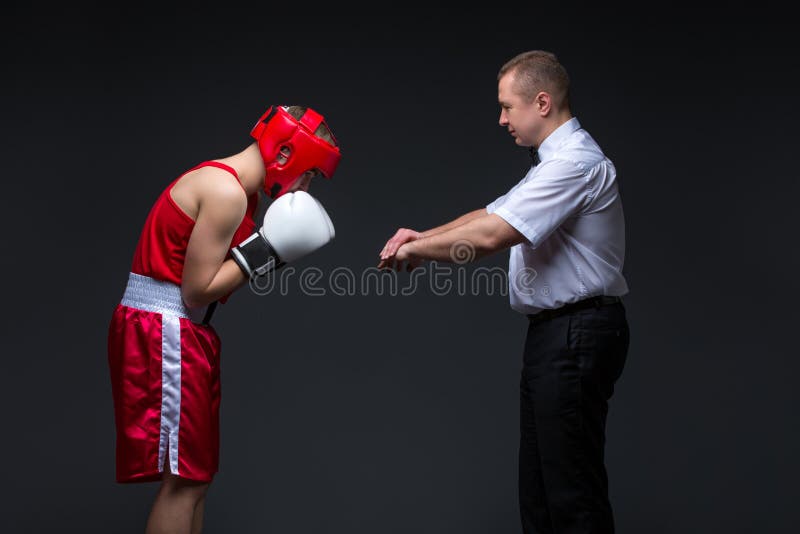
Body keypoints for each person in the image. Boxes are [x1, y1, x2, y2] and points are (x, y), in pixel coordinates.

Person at [378, 50, 630, 534]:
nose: (501, 119)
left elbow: (493, 237)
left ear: (541, 102)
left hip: (576, 334)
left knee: (571, 495)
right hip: (556, 337)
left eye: (507, 107)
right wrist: (419, 236)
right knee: (540, 494)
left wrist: (416, 254)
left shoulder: (575, 165)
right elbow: (490, 214)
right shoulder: (548, 166)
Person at [107, 105, 341, 534]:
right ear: (286, 155)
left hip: (177, 330)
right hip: (164, 330)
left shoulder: (235, 190)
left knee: (195, 479)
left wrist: (269, 252)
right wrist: (272, 250)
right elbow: (196, 289)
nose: (306, 188)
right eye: (309, 175)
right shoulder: (226, 192)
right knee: (184, 483)